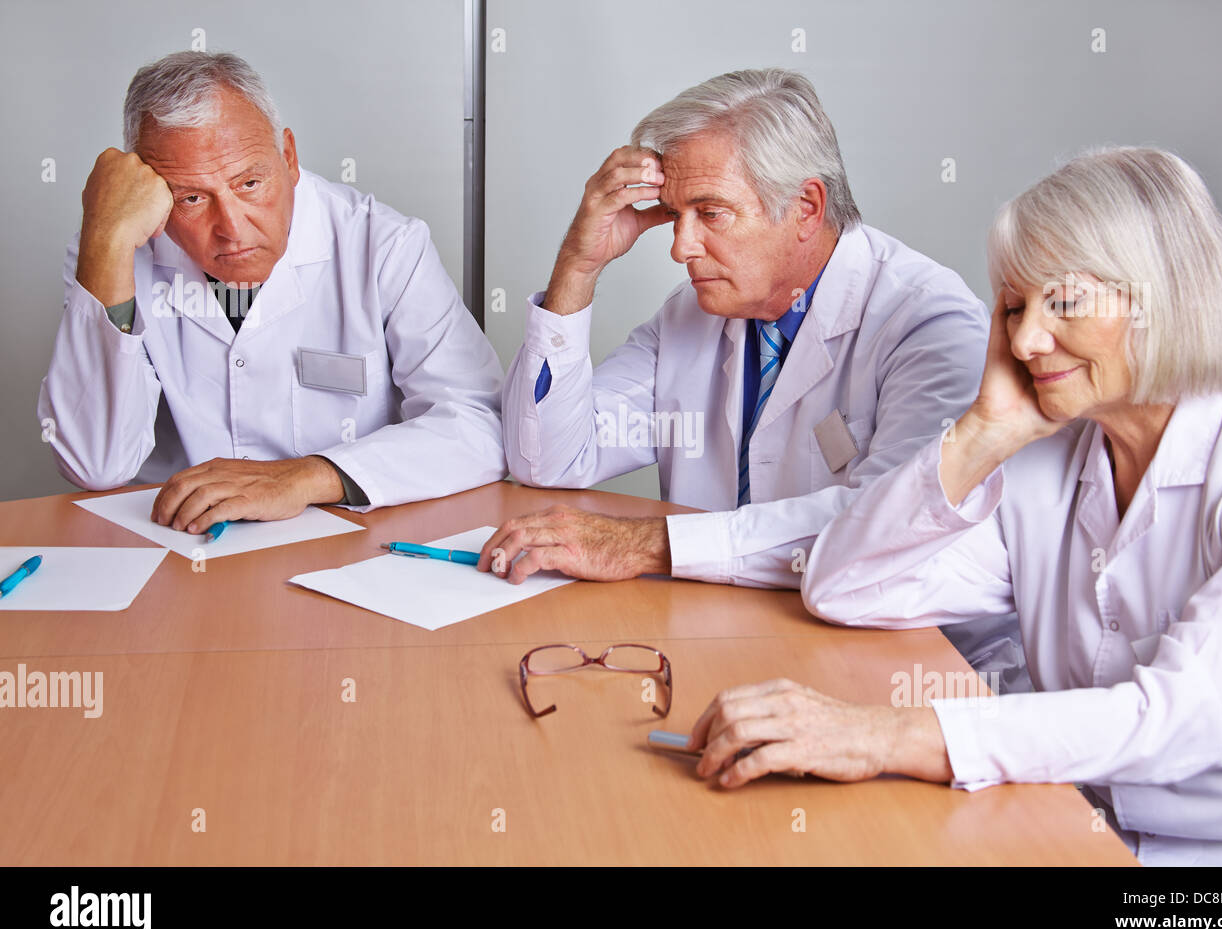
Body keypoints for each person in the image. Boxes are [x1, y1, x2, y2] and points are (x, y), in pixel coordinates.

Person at [689, 146, 1222, 866]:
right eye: (1013, 307)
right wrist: (980, 432)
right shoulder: (1048, 453)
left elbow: (1173, 719)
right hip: (1057, 816)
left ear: (1163, 296)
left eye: (1062, 301)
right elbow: (842, 587)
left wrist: (884, 735)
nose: (1026, 341)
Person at [482, 69, 1023, 686]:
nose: (680, 246)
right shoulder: (695, 313)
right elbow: (548, 458)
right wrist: (578, 265)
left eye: (710, 213)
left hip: (915, 667)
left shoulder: (929, 323)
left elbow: (878, 532)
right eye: (674, 214)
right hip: (739, 637)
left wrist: (643, 544)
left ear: (805, 208)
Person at [37, 51, 505, 533]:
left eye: (250, 182)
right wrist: (105, 240)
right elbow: (93, 465)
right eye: (191, 199)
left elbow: (477, 424)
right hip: (182, 545)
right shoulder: (112, 249)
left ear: (289, 158)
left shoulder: (384, 246)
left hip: (348, 544)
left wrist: (307, 477)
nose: (233, 229)